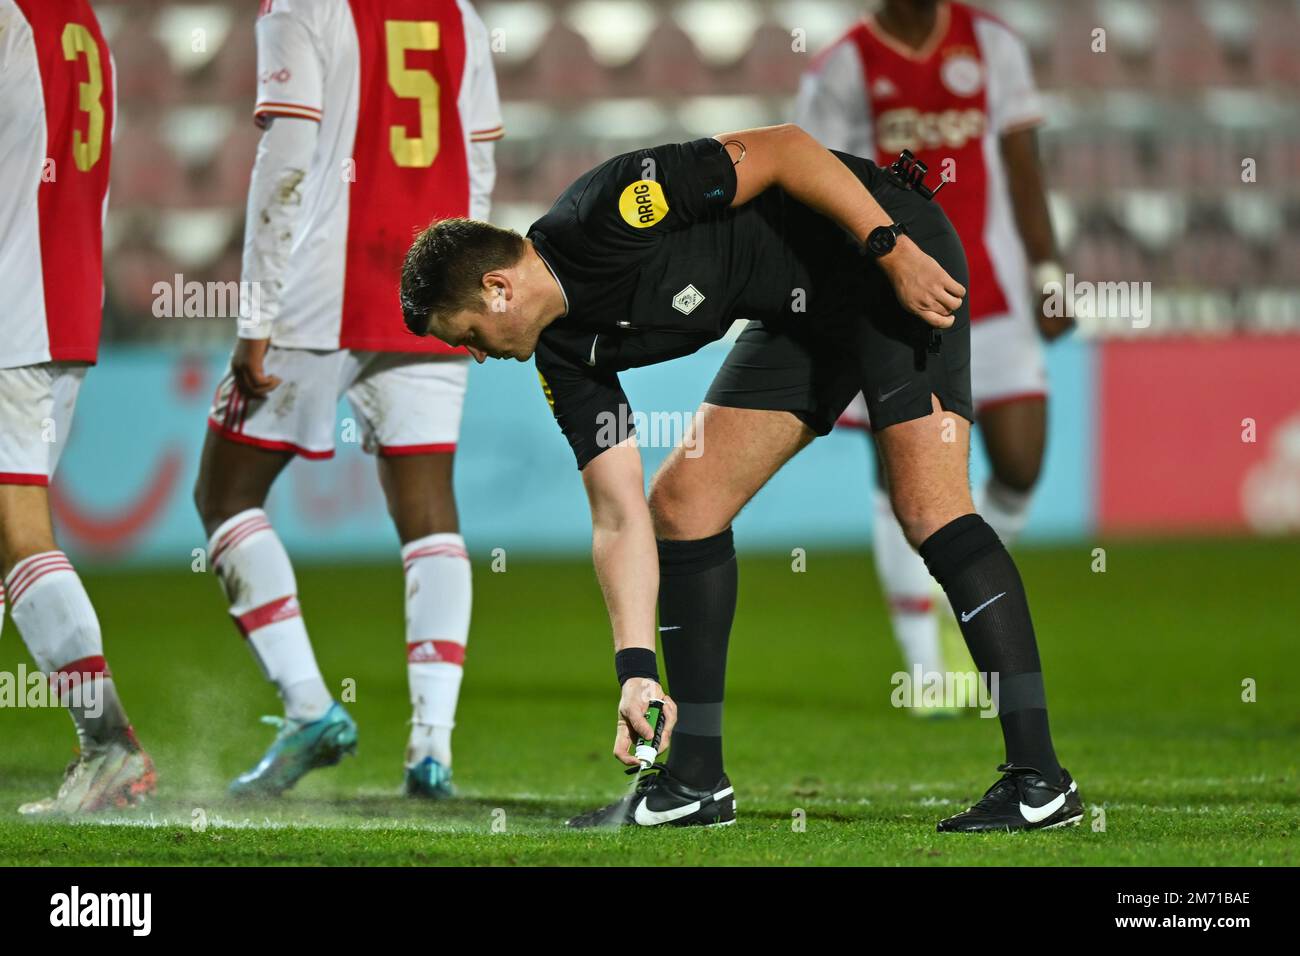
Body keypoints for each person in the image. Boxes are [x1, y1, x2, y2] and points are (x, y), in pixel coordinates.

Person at [400, 124, 1082, 832]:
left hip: (885, 252)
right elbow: (617, 515)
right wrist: (635, 669)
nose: (476, 356)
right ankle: (694, 781)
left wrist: (892, 247)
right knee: (683, 504)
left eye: (467, 336)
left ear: (498, 288)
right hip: (803, 310)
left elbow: (786, 150)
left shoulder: (608, 209)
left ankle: (1040, 781)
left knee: (929, 508)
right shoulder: (566, 356)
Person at [192, 0, 502, 798]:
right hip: (432, 287)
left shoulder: (304, 5)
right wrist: (465, 286)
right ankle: (432, 751)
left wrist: (256, 312)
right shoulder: (461, 14)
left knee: (224, 494)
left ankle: (308, 708)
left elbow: (288, 156)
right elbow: (481, 158)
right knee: (429, 504)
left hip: (320, 290)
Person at [795, 0, 1071, 693]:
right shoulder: (843, 65)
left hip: (992, 286)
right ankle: (923, 662)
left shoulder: (992, 43)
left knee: (1021, 461)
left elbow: (1023, 164)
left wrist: (1047, 272)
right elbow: (816, 182)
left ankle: (967, 593)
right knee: (904, 474)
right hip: (893, 294)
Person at [0, 0, 157, 814]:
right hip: (63, 307)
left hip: (10, 311)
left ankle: (108, 743)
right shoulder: (84, 23)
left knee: (16, 526)